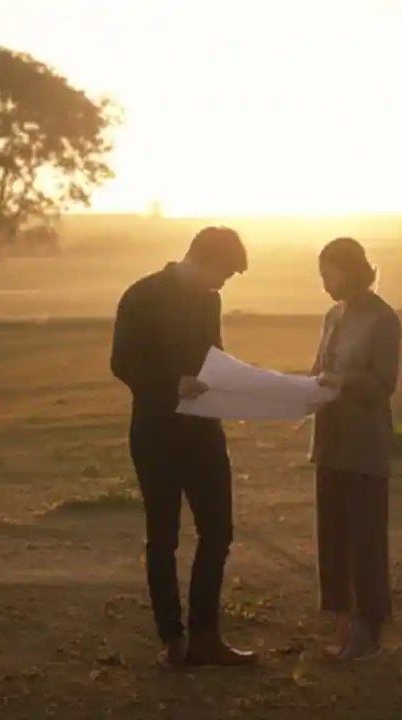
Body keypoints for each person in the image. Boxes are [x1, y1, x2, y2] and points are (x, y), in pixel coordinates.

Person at [110, 226, 257, 669]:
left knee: (219, 532)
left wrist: (238, 383)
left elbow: (214, 354)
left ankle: (206, 636)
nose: (223, 284)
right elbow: (122, 363)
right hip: (156, 433)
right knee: (164, 538)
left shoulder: (209, 300)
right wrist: (174, 384)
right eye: (224, 273)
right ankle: (172, 639)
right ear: (202, 258)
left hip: (203, 431)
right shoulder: (141, 295)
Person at [310, 237, 402, 661]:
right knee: (333, 536)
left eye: (329, 272)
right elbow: (319, 372)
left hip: (365, 444)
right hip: (329, 442)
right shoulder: (333, 315)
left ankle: (369, 628)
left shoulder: (384, 319)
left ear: (351, 270)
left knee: (365, 538)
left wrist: (342, 382)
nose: (324, 281)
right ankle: (342, 620)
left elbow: (384, 385)